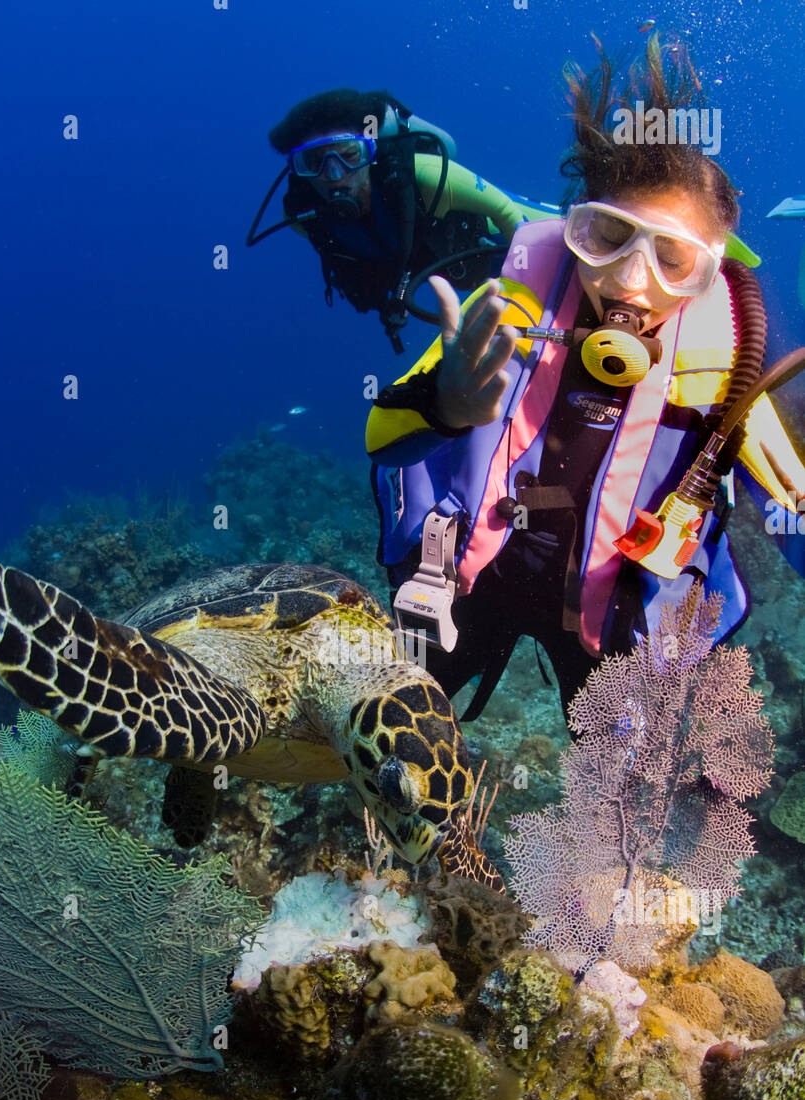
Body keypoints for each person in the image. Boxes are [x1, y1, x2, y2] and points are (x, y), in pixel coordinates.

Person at [366, 39, 805, 722]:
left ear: (712, 270)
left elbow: (794, 519)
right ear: (574, 229)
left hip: (615, 623)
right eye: (606, 238)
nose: (631, 281)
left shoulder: (731, 370)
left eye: (673, 260)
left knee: (631, 800)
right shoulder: (514, 311)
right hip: (465, 587)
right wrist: (444, 405)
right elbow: (382, 437)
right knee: (383, 730)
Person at [252, 88, 558, 352]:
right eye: (314, 164)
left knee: (589, 232)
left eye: (350, 155)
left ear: (370, 152)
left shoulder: (423, 174)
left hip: (522, 237)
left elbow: (507, 212)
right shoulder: (303, 220)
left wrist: (526, 301)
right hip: (469, 271)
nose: (335, 176)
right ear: (299, 171)